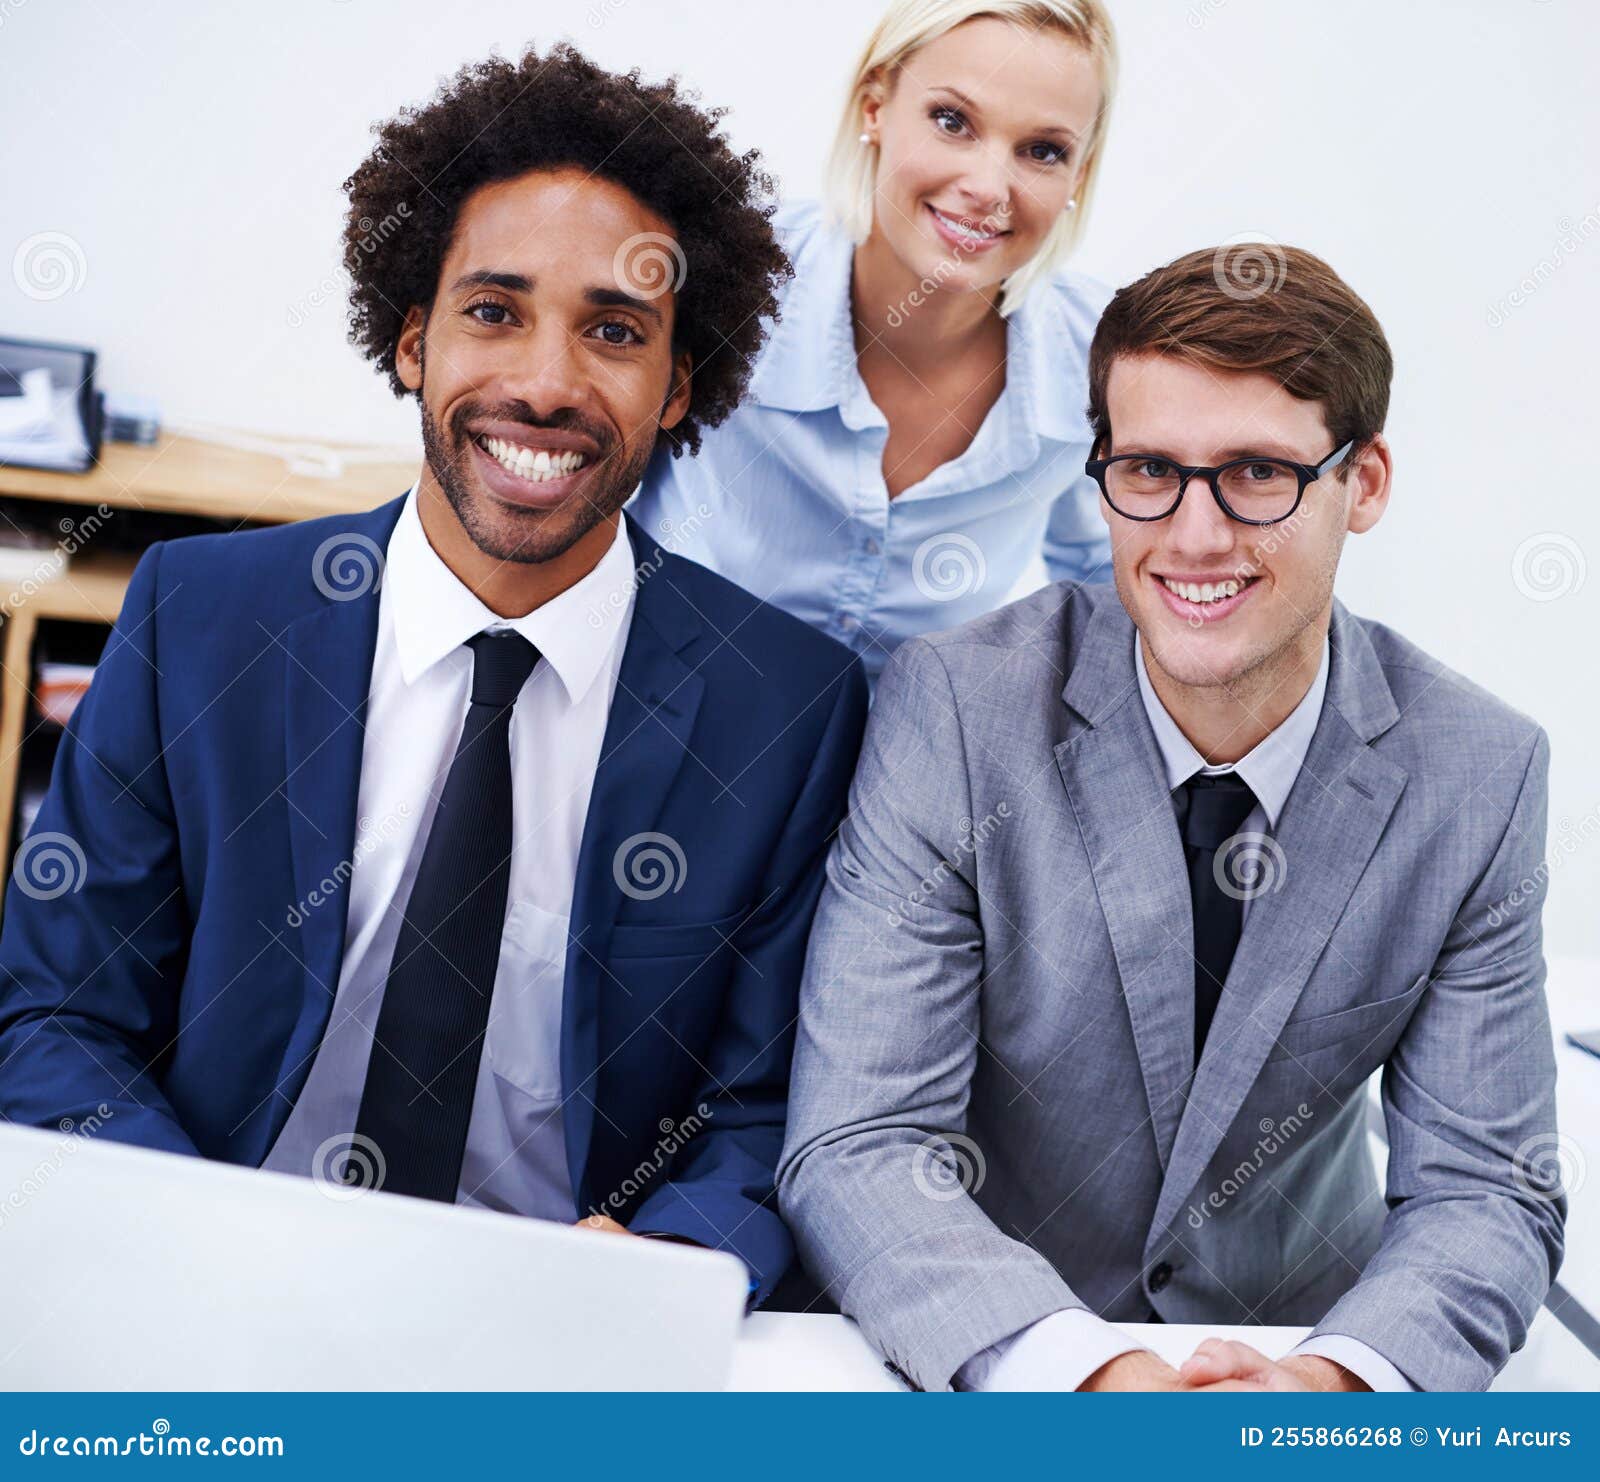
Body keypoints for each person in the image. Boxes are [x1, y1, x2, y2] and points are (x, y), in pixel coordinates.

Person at [0, 44, 867, 1307]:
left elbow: (762, 1103)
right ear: (411, 340)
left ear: (681, 386)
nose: (545, 383)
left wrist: (670, 1263)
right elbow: (55, 1016)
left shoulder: (785, 704)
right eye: (493, 310)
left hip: (558, 1326)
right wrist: (190, 1243)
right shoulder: (202, 619)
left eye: (614, 332)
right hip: (216, 1271)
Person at [777, 243, 1564, 1389]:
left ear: (1367, 483)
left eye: (1256, 474)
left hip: (1298, 1342)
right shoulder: (956, 709)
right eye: (1148, 470)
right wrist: (1078, 1373)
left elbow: (1484, 1187)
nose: (1193, 536)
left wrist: (1333, 1383)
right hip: (992, 1349)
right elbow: (862, 1140)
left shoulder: (1477, 772)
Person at [629, 0, 1119, 688]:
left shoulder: (1103, 365)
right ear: (874, 108)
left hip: (914, 766)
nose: (987, 188)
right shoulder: (727, 277)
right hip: (668, 708)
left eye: (1043, 151)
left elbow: (1109, 579)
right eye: (952, 121)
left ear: (1079, 176)